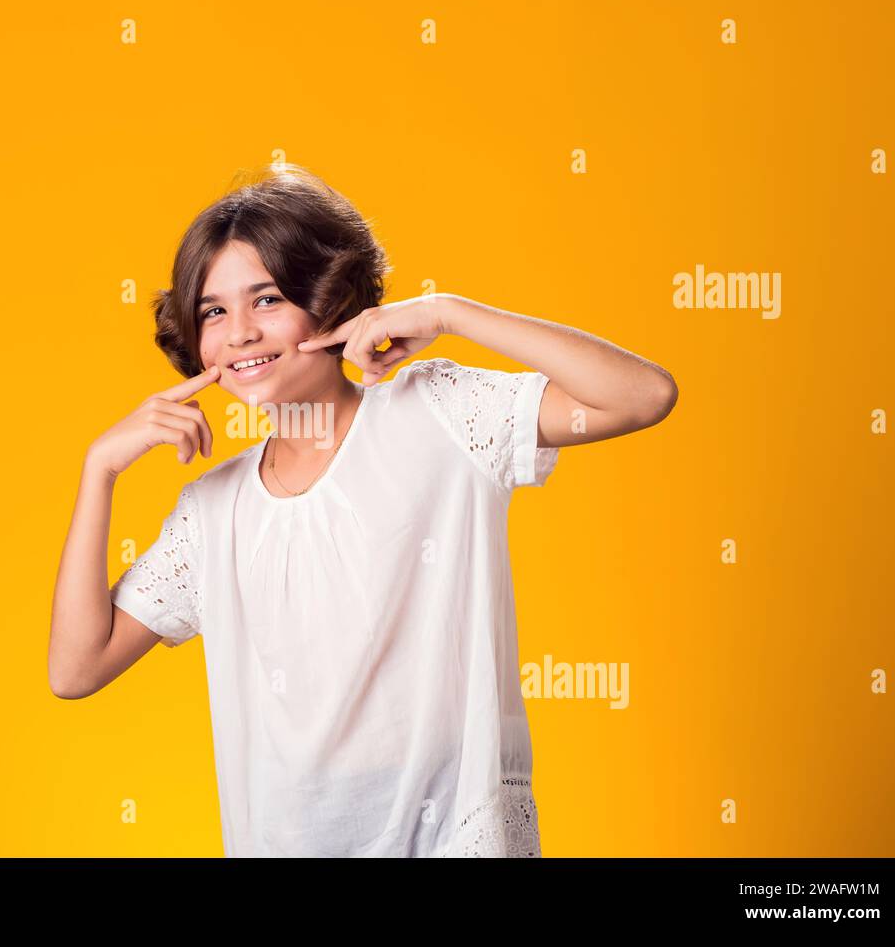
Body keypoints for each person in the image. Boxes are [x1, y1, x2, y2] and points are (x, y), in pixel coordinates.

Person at [48, 163, 678, 856]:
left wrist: (447, 312)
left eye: (267, 299)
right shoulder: (211, 512)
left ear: (328, 298)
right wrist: (98, 471)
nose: (240, 334)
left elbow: (641, 396)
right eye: (214, 311)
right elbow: (75, 670)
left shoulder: (438, 413)